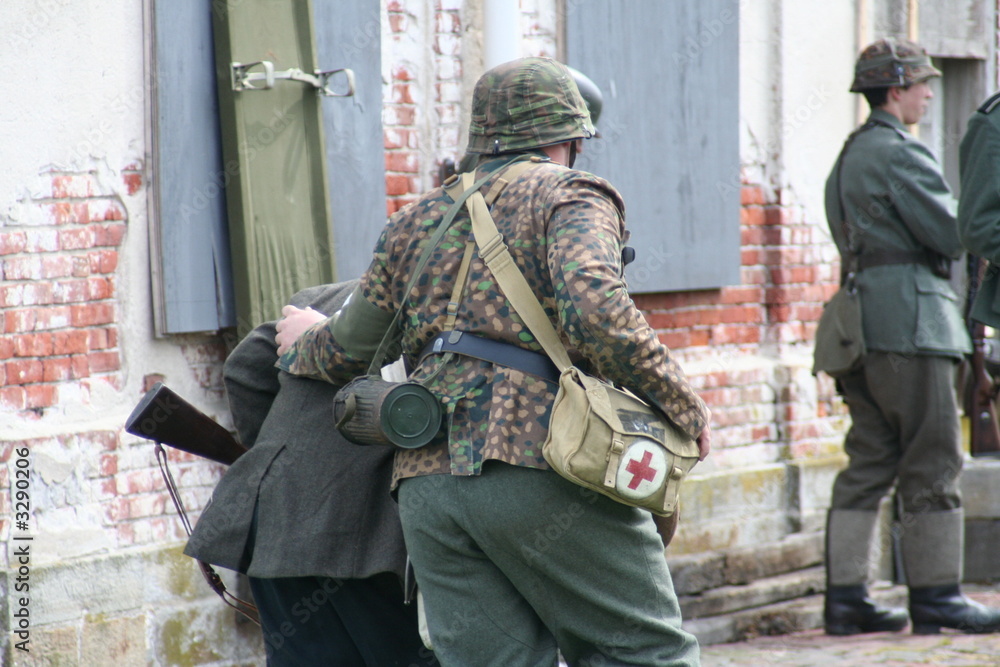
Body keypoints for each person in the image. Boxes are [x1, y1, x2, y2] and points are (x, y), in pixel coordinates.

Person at [275, 57, 711, 666]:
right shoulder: (572, 192)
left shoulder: (413, 220)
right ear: (570, 138)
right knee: (642, 653)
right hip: (546, 461)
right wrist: (684, 409)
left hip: (428, 483)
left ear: (481, 136)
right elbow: (596, 309)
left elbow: (347, 350)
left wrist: (300, 338)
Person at [818, 37, 1000, 636]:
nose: (928, 93)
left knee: (868, 460)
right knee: (935, 459)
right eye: (922, 83)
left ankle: (846, 600)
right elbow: (954, 234)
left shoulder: (849, 154)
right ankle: (939, 596)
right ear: (895, 90)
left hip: (858, 326)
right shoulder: (901, 152)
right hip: (913, 326)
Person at [184, 280, 434, 666]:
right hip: (373, 542)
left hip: (277, 531)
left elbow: (244, 368)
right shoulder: (443, 312)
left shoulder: (317, 299)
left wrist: (279, 460)